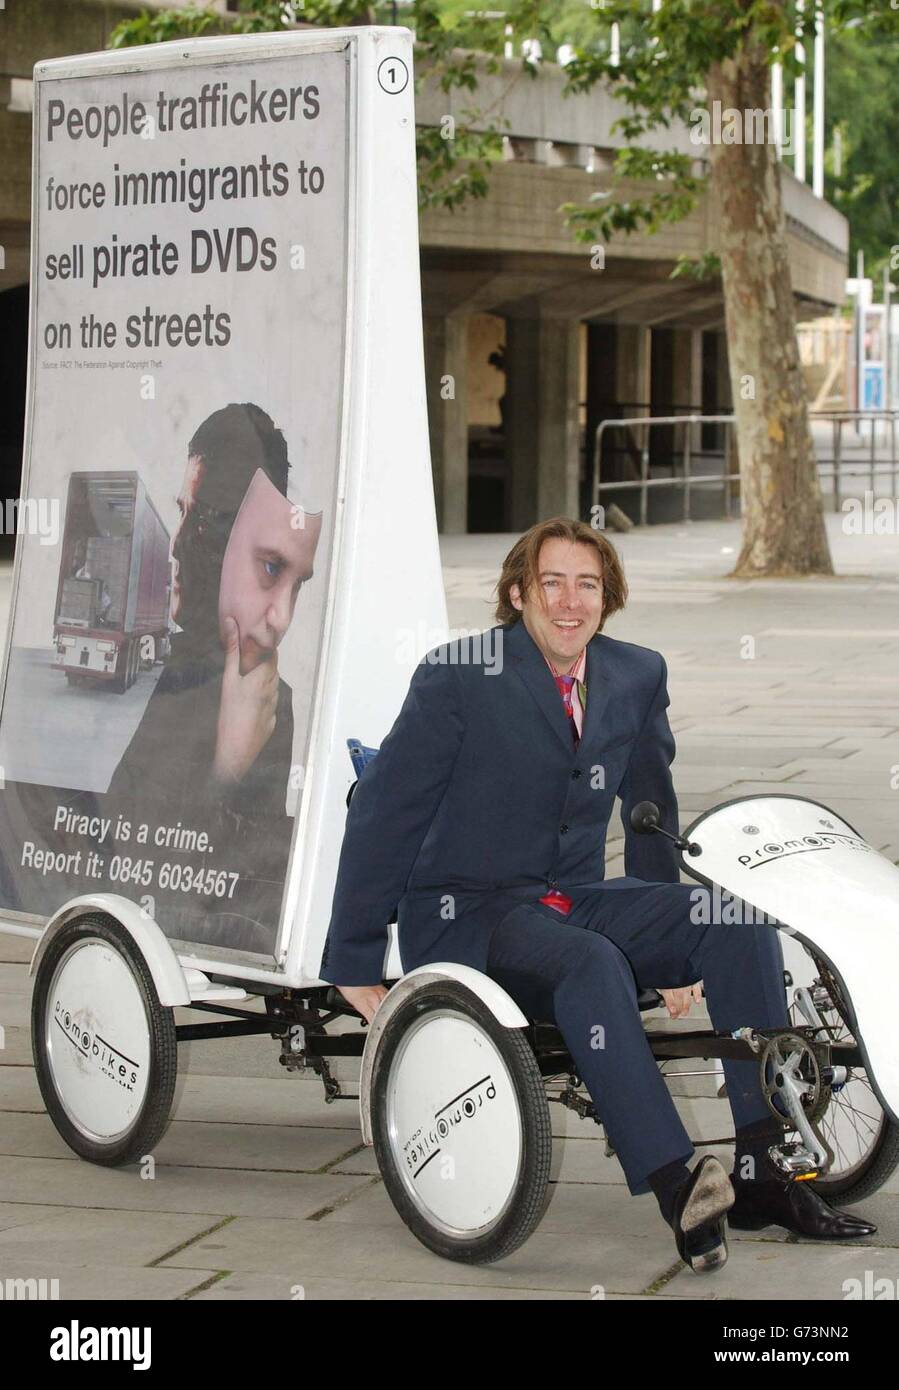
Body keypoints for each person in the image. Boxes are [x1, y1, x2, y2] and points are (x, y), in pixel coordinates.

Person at [319, 515, 876, 1272]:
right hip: (466, 910)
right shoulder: (458, 674)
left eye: (587, 585)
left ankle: (759, 1169)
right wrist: (353, 957)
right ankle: (677, 1183)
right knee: (586, 964)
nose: (569, 602)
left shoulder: (635, 673)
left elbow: (650, 804)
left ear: (606, 598)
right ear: (518, 593)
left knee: (734, 920)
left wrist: (669, 942)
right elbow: (387, 812)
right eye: (551, 583)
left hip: (572, 894)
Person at [105, 403, 322, 953]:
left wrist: (229, 769)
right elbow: (121, 862)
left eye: (204, 521)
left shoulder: (271, 704)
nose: (177, 547)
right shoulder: (151, 669)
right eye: (186, 514)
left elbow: (237, 893)